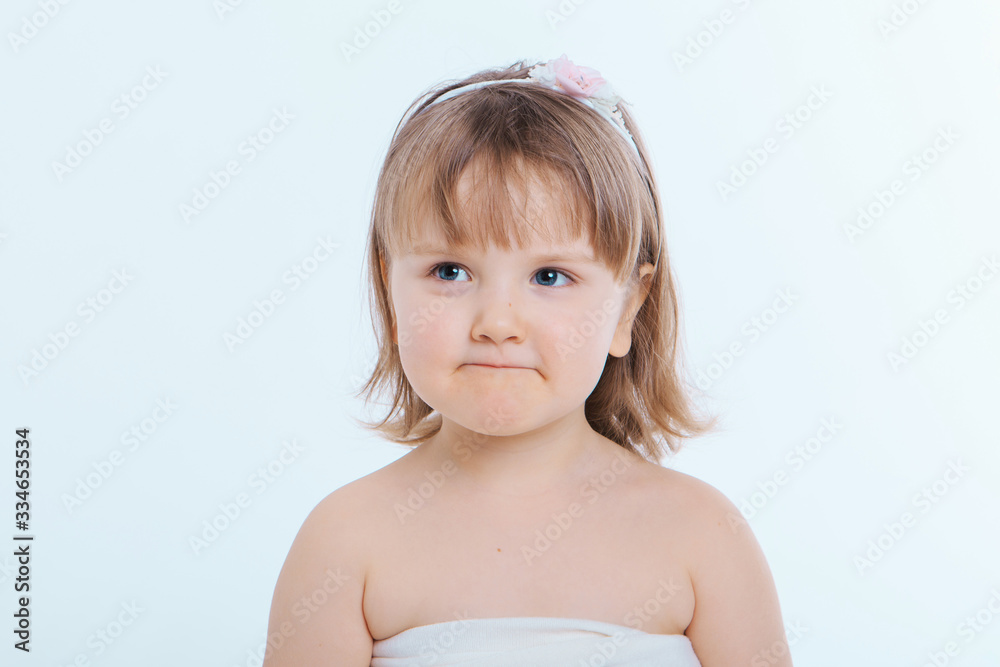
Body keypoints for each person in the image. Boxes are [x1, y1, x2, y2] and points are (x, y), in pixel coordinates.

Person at [262, 54, 793, 666]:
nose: (497, 323)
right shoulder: (346, 541)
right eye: (449, 271)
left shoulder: (701, 534)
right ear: (389, 293)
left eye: (549, 275)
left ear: (626, 309)